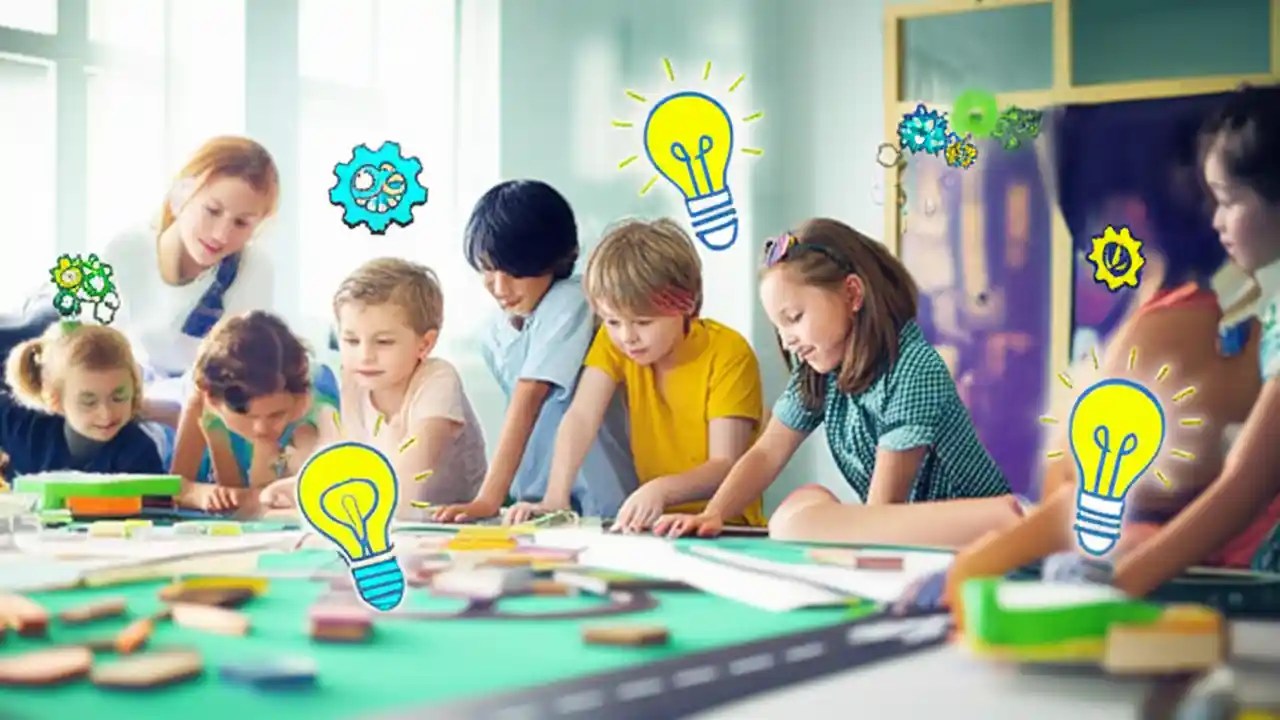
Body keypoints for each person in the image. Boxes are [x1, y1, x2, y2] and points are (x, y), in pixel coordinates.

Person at [907, 86, 1280, 620]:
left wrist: (1117, 589)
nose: (1219, 219)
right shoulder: (1206, 314)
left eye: (1228, 199)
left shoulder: (1187, 322)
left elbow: (1244, 484)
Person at [654, 219, 1019, 545]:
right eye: (778, 327)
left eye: (794, 318)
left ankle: (1010, 522)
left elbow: (880, 515)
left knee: (797, 519)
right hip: (904, 534)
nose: (787, 341)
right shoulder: (819, 371)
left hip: (969, 541)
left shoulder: (914, 368)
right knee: (801, 509)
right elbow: (768, 452)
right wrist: (713, 514)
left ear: (853, 294)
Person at [505, 219, 765, 531]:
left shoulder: (728, 353)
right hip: (655, 526)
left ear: (688, 305)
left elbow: (726, 465)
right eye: (612, 321)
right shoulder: (616, 344)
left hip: (726, 525)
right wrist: (554, 499)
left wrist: (661, 490)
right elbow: (581, 417)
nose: (627, 336)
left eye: (643, 322)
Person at [430, 181, 636, 522]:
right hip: (535, 499)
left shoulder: (571, 299)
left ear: (553, 261)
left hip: (598, 497)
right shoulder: (495, 329)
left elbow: (530, 397)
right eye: (487, 270)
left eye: (514, 273)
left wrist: (487, 499)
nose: (499, 287)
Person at [259, 258, 487, 515]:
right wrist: (301, 487)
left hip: (455, 522)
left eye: (384, 342)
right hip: (397, 519)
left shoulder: (437, 380)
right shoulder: (353, 381)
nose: (365, 355)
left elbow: (410, 478)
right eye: (352, 340)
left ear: (424, 344)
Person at [101, 136, 280, 429]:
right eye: (212, 211)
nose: (221, 234)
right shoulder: (122, 250)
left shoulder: (254, 269)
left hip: (202, 402)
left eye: (241, 223)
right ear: (180, 196)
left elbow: (243, 381)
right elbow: (87, 352)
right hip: (124, 392)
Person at [170, 311, 339, 512]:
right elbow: (175, 486)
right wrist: (198, 494)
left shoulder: (312, 413)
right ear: (212, 401)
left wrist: (265, 447)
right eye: (247, 416)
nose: (261, 427)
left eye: (276, 414)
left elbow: (289, 496)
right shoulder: (204, 400)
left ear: (299, 399)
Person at [0, 321, 163, 477]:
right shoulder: (23, 427)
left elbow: (155, 504)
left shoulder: (138, 452)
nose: (106, 414)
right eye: (89, 402)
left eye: (119, 397)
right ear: (55, 399)